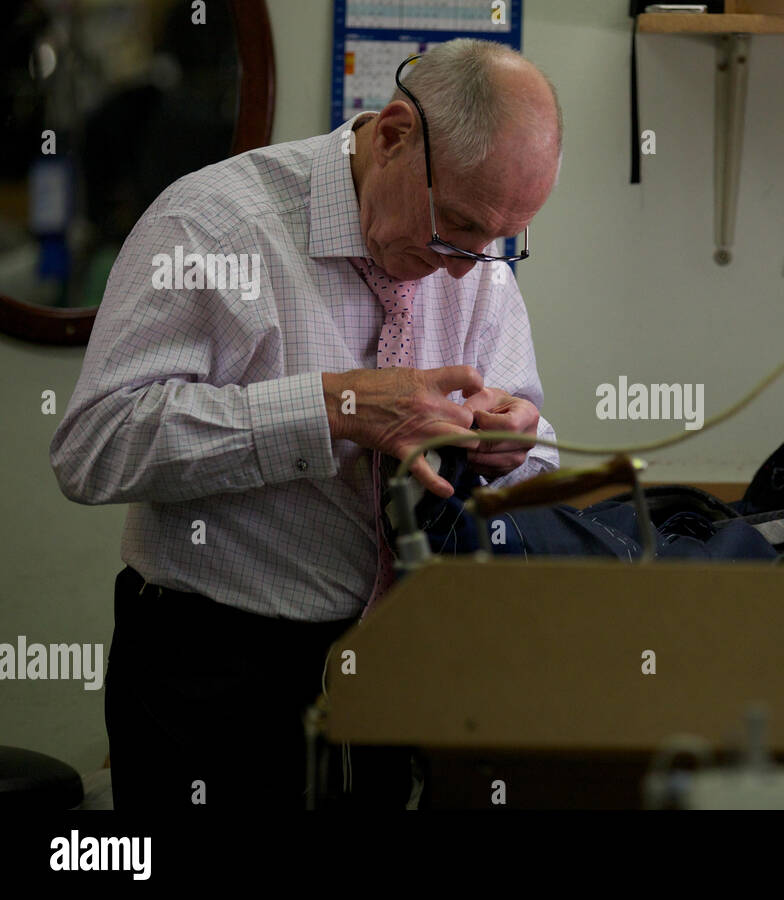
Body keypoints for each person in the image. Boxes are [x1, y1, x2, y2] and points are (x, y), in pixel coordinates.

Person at [48, 39, 563, 809]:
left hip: (391, 668)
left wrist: (510, 443)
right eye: (456, 226)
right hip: (214, 671)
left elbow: (539, 452)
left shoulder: (475, 264)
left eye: (496, 242)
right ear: (393, 134)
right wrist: (338, 406)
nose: (468, 266)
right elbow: (95, 444)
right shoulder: (215, 226)